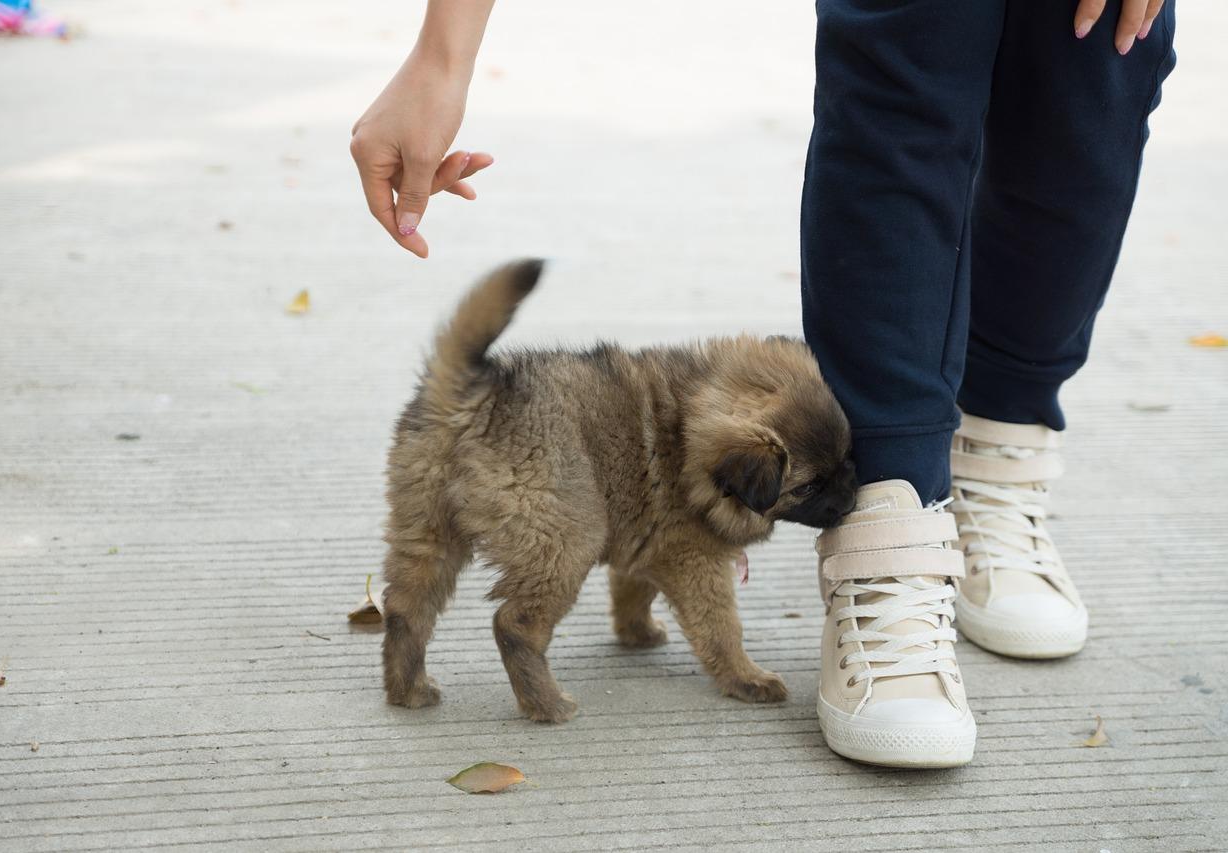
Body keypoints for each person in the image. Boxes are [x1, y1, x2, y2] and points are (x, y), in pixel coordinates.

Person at [351, 0, 1175, 768]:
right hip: (546, 450)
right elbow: (684, 556)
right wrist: (443, 48)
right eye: (819, 488)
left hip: (471, 418)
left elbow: (651, 535)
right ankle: (898, 509)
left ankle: (996, 442)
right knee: (907, 62)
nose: (822, 495)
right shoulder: (725, 458)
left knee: (1093, 86)